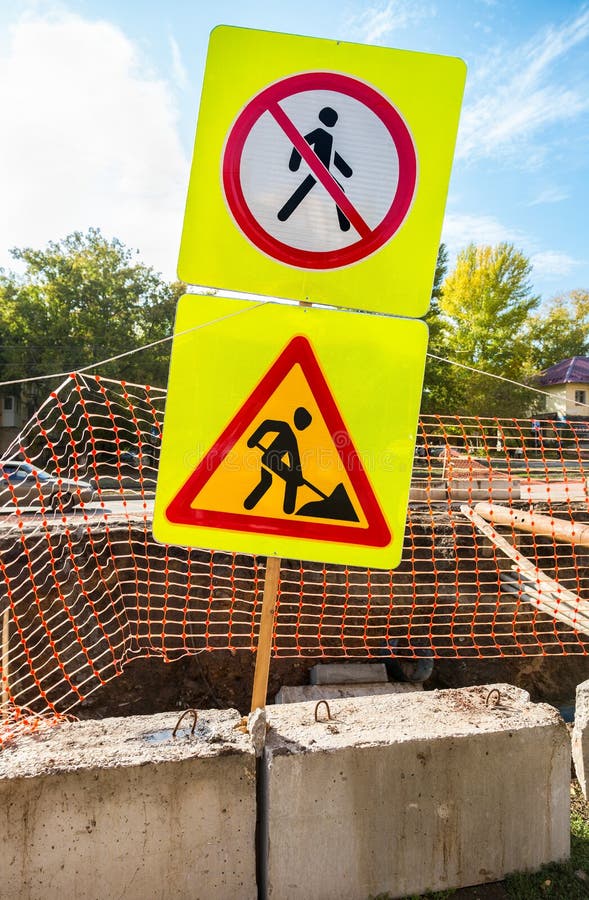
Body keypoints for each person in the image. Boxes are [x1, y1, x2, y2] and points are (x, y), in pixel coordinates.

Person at [244, 407, 312, 514]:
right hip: (270, 460)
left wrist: (298, 475)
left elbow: (294, 458)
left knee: (267, 482)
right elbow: (267, 424)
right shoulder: (286, 428)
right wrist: (253, 440)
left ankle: (249, 506)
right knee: (286, 480)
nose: (303, 426)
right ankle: (288, 508)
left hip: (272, 462)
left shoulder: (292, 437)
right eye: (303, 423)